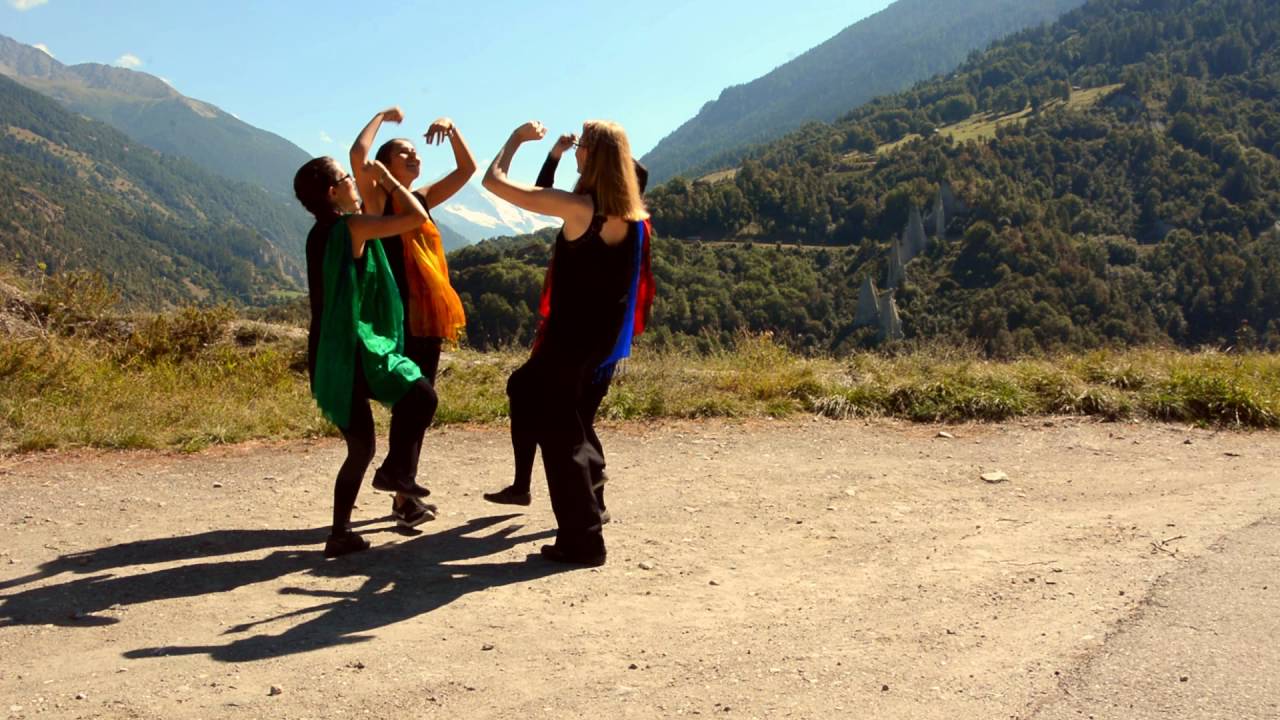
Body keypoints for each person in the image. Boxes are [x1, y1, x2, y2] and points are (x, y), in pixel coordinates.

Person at [482, 120, 654, 566]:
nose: (576, 150)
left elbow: (493, 181)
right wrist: (558, 157)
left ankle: (582, 540)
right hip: (600, 345)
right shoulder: (633, 216)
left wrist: (517, 139)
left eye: (581, 146)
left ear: (593, 155)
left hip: (567, 343)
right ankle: (587, 514)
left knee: (562, 441)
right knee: (563, 422)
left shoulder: (581, 211)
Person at [293, 155, 439, 557]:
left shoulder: (320, 233)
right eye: (347, 178)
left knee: (360, 449)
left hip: (327, 353)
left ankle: (341, 533)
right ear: (332, 192)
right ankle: (396, 472)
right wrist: (389, 178)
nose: (356, 182)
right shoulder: (351, 227)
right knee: (422, 394)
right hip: (357, 348)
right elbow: (415, 217)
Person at [349, 107, 474, 529]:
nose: (415, 157)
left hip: (426, 314)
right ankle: (397, 482)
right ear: (385, 164)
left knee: (418, 404)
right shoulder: (379, 199)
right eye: (405, 153)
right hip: (396, 312)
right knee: (412, 398)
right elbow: (357, 154)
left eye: (417, 152)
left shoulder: (420, 200)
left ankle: (404, 493)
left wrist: (453, 129)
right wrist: (382, 117)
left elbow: (466, 169)